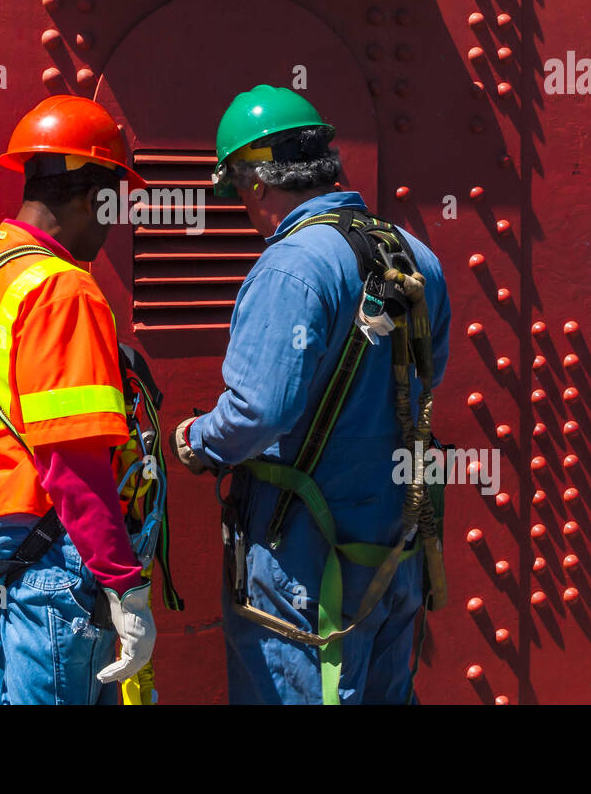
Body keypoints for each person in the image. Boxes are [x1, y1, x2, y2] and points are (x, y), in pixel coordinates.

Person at [173, 84, 450, 705]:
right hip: (392, 556)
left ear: (258, 183)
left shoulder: (291, 265)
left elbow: (259, 412)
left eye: (239, 191)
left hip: (303, 562)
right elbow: (428, 378)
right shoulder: (416, 256)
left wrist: (197, 439)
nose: (243, 207)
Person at [0, 95, 155, 705]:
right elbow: (73, 460)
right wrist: (124, 585)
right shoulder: (62, 290)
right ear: (89, 199)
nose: (111, 227)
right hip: (49, 550)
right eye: (112, 207)